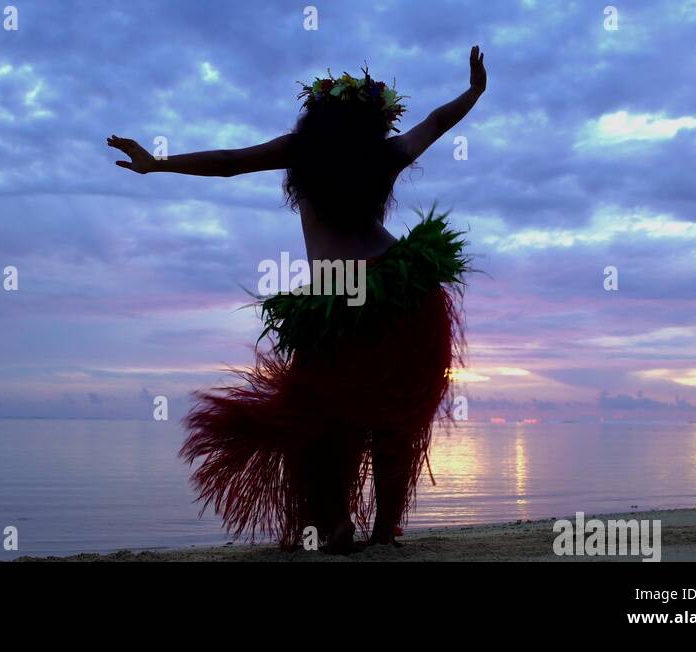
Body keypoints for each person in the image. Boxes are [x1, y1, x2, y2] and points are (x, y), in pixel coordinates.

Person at [108, 45, 487, 553]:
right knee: (392, 413)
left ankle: (334, 525)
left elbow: (228, 163)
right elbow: (439, 119)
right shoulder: (386, 153)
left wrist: (156, 163)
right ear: (374, 120)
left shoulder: (299, 151)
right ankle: (383, 532)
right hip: (403, 288)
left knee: (322, 414)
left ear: (317, 116)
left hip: (339, 292)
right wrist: (475, 90)